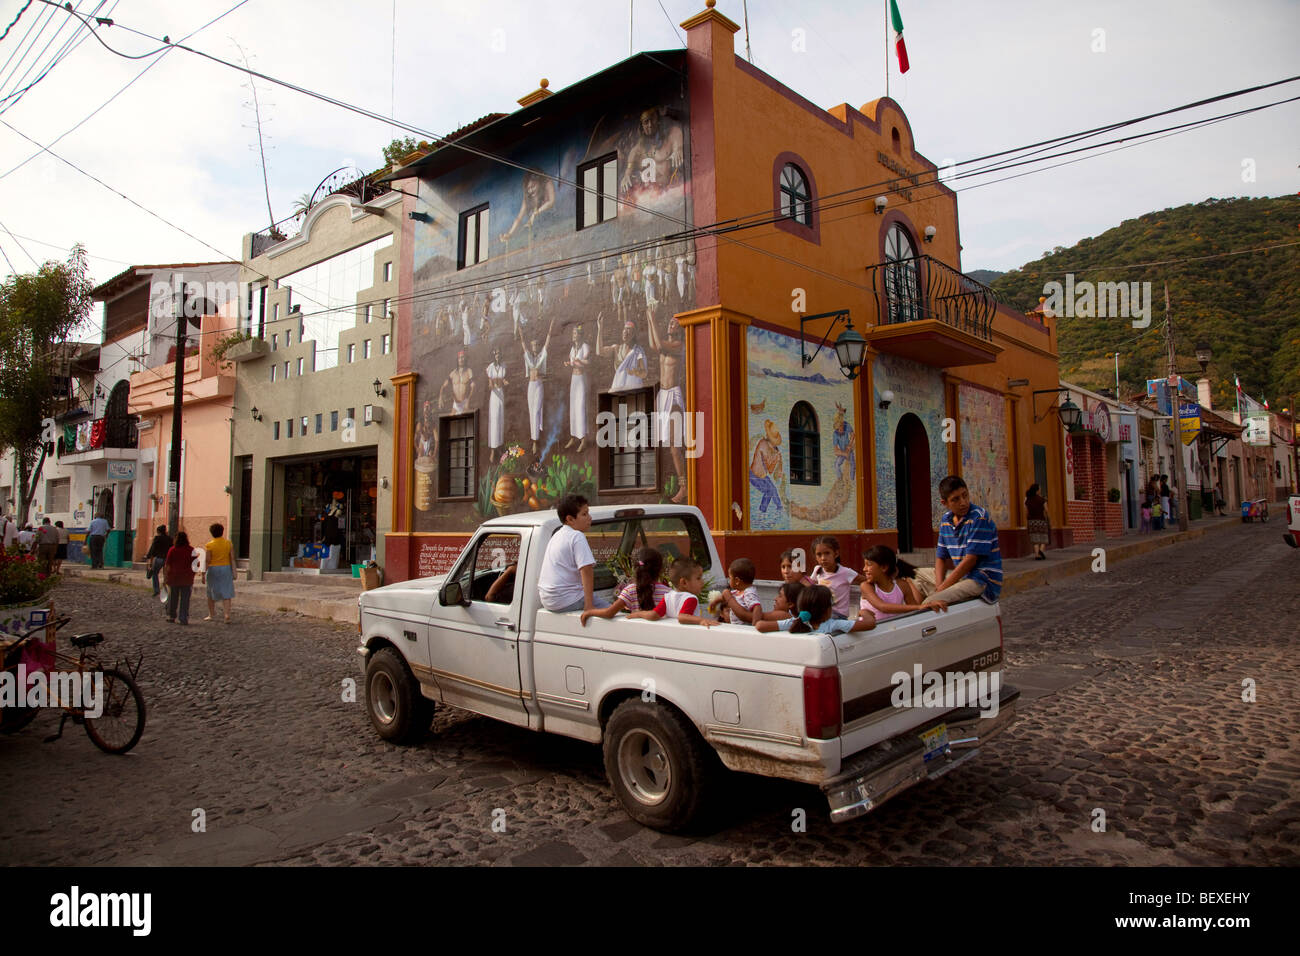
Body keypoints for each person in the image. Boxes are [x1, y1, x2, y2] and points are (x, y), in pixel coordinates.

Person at [913, 475, 1004, 606]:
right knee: (913, 576)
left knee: (930, 602)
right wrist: (939, 585)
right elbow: (940, 558)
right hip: (963, 577)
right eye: (955, 499)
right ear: (945, 503)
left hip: (981, 579)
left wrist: (942, 589)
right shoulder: (945, 520)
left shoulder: (979, 517)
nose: (963, 502)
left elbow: (970, 560)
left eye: (965, 495)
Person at [538, 494, 604, 614]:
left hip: (549, 601)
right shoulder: (577, 536)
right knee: (615, 613)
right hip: (568, 600)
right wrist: (589, 605)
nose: (590, 518)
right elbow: (586, 569)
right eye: (584, 514)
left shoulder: (557, 535)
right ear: (570, 519)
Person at [581, 547, 669, 625]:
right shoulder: (668, 593)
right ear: (660, 570)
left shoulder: (629, 590)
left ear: (634, 568)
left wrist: (590, 612)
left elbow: (609, 613)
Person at [858, 545, 946, 622]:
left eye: (868, 565)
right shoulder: (867, 586)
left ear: (884, 567)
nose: (864, 569)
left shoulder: (902, 585)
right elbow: (882, 607)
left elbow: (914, 608)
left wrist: (925, 607)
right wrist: (920, 607)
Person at [755, 584, 875, 635]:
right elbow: (870, 624)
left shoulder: (794, 622)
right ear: (828, 610)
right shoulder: (833, 625)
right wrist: (864, 612)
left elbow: (760, 626)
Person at [638, 558, 716, 627]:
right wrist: (701, 620)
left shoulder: (668, 597)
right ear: (684, 582)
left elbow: (654, 615)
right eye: (698, 578)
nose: (702, 582)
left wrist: (638, 614)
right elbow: (682, 617)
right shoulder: (690, 598)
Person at [809, 535, 865, 620]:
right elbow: (811, 584)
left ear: (836, 554)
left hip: (838, 614)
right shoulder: (817, 570)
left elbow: (865, 580)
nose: (823, 558)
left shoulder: (846, 572)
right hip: (822, 611)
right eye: (819, 555)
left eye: (827, 553)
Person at [709, 557, 762, 625]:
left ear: (737, 581)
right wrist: (714, 602)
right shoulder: (737, 592)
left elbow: (757, 608)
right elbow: (724, 597)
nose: (729, 581)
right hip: (736, 627)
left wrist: (755, 625)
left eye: (730, 578)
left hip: (745, 628)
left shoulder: (749, 593)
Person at [202, 523, 235, 624]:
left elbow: (207, 560)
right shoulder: (228, 543)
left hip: (213, 569)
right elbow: (232, 558)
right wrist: (234, 570)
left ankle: (211, 614)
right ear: (222, 531)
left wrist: (203, 573)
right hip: (226, 568)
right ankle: (227, 615)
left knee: (211, 592)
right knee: (227, 592)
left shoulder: (209, 545)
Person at [164, 531, 196, 625]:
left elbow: (168, 565)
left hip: (174, 577)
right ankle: (183, 618)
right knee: (185, 599)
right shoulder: (191, 550)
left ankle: (171, 616)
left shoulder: (172, 550)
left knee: (173, 598)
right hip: (187, 578)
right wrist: (192, 574)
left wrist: (165, 577)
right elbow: (195, 564)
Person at [144, 524, 172, 597]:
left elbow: (153, 549)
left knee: (155, 573)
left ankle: (156, 590)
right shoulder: (170, 539)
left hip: (159, 559)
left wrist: (149, 557)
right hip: (168, 559)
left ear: (158, 531)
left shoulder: (157, 538)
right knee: (166, 575)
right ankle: (167, 591)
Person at [1025, 483, 1049, 560]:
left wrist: (1028, 519)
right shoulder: (1042, 499)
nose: (1040, 490)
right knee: (1044, 537)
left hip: (1031, 521)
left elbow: (1026, 512)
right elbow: (1046, 510)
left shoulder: (1028, 500)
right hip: (1041, 520)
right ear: (1037, 490)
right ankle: (1041, 550)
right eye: (1039, 488)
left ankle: (1037, 555)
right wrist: (1047, 517)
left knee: (1035, 539)